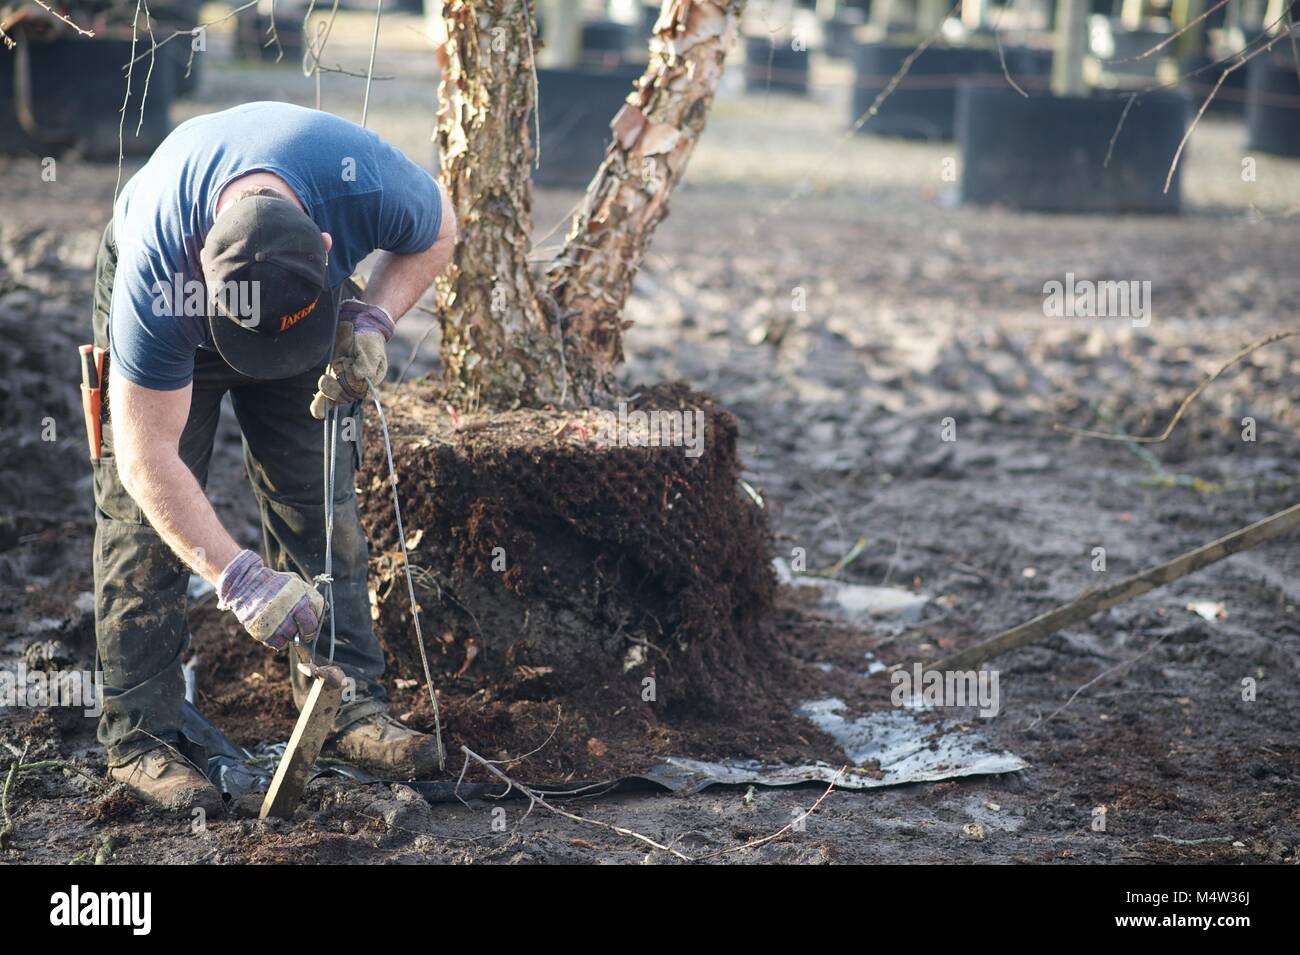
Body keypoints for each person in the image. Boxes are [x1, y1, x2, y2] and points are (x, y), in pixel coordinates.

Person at [89, 101, 456, 811]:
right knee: (142, 525)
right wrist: (238, 578)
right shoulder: (160, 271)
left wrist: (371, 317)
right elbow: (144, 457)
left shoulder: (362, 184)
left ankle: (345, 703)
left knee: (320, 493)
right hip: (183, 332)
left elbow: (440, 227)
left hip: (303, 309)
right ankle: (142, 736)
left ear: (327, 244)